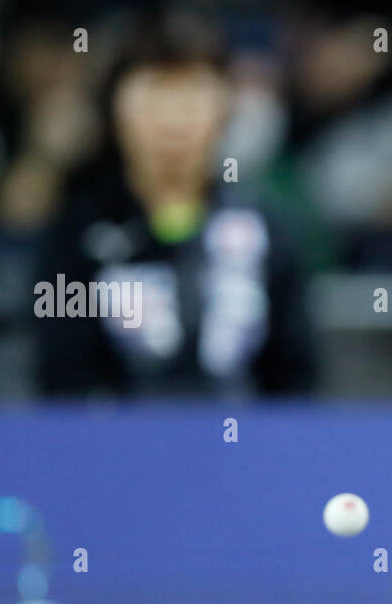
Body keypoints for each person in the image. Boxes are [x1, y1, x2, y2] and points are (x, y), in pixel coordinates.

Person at [33, 10, 316, 399]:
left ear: (226, 106)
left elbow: (297, 383)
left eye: (192, 94)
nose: (173, 121)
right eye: (154, 94)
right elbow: (62, 379)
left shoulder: (268, 230)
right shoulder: (74, 236)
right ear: (113, 108)